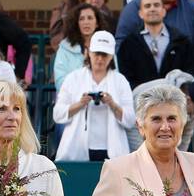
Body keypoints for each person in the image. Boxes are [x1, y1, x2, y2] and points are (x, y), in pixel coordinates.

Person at [52, 31, 136, 161]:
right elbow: (57, 114)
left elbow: (130, 120)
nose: (100, 59)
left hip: (112, 151)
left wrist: (112, 104)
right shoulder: (73, 78)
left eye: (105, 55)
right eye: (97, 53)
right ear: (88, 52)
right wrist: (80, 104)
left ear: (111, 56)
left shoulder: (121, 81)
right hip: (76, 149)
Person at [115, 0, 194, 88]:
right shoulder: (129, 44)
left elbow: (189, 72)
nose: (152, 9)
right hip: (141, 99)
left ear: (164, 11)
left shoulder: (181, 41)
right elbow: (125, 76)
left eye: (156, 5)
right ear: (140, 14)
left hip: (174, 98)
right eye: (147, 6)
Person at [52, 2, 114, 87]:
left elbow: (114, 76)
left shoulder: (106, 45)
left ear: (97, 23)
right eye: (81, 19)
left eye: (90, 18)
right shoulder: (65, 48)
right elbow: (60, 82)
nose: (86, 22)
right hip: (73, 98)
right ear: (76, 23)